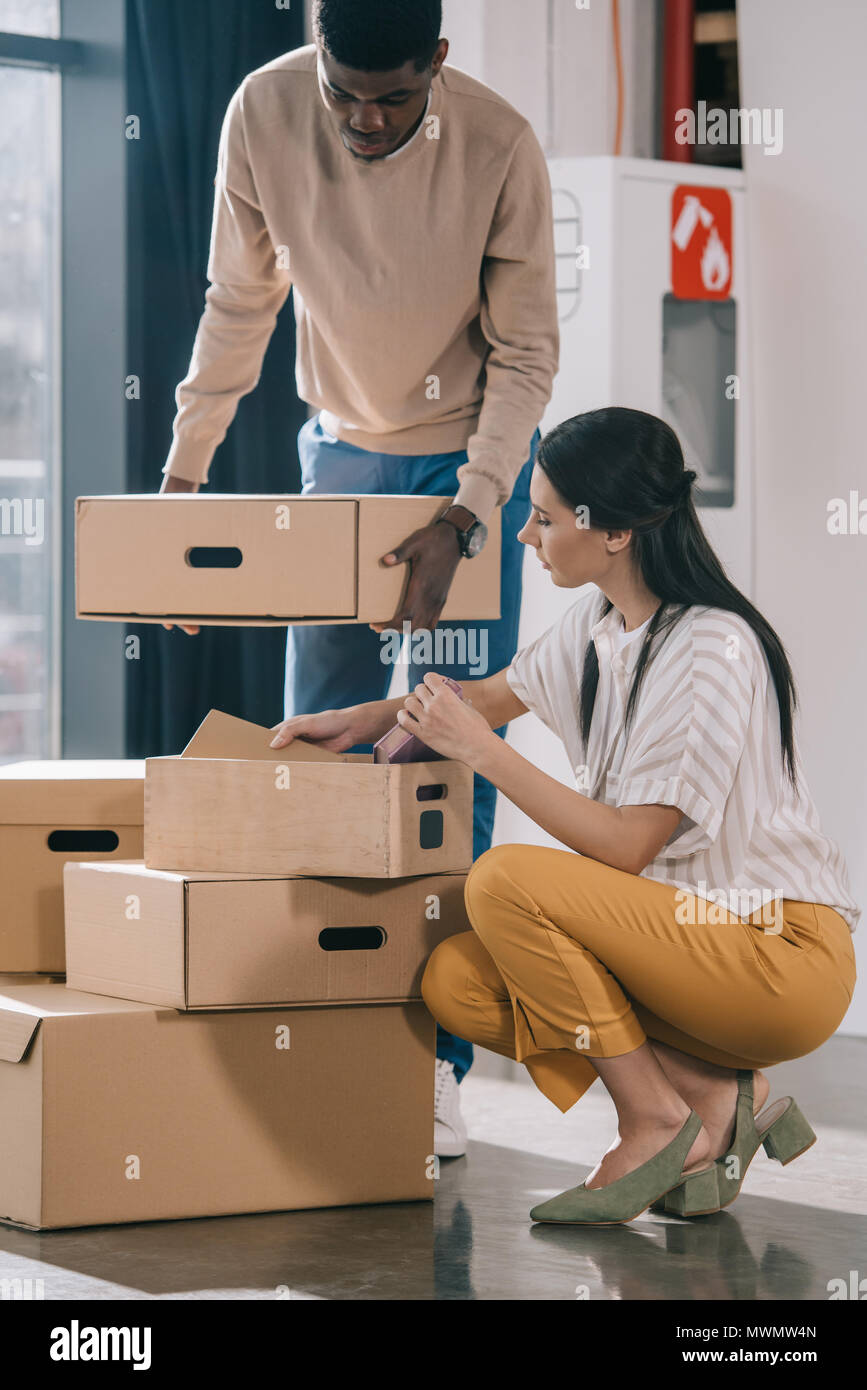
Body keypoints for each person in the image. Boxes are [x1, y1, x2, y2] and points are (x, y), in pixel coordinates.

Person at [271, 406, 859, 1225]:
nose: (524, 537)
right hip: (679, 943)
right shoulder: (598, 626)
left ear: (612, 532)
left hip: (773, 954)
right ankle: (713, 1100)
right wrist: (363, 719)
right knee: (457, 980)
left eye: (542, 519)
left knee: (505, 876)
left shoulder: (710, 649)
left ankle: (653, 1120)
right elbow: (480, 697)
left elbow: (625, 847)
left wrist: (482, 751)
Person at [157, 0, 559, 1157]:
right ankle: (314, 1024)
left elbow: (528, 352)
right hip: (336, 448)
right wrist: (182, 489)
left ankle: (432, 1065)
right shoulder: (264, 109)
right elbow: (240, 302)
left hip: (467, 454)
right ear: (318, 54)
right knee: (316, 747)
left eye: (394, 97)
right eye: (347, 95)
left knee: (443, 747)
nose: (366, 121)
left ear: (438, 60)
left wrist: (472, 509)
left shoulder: (500, 145)